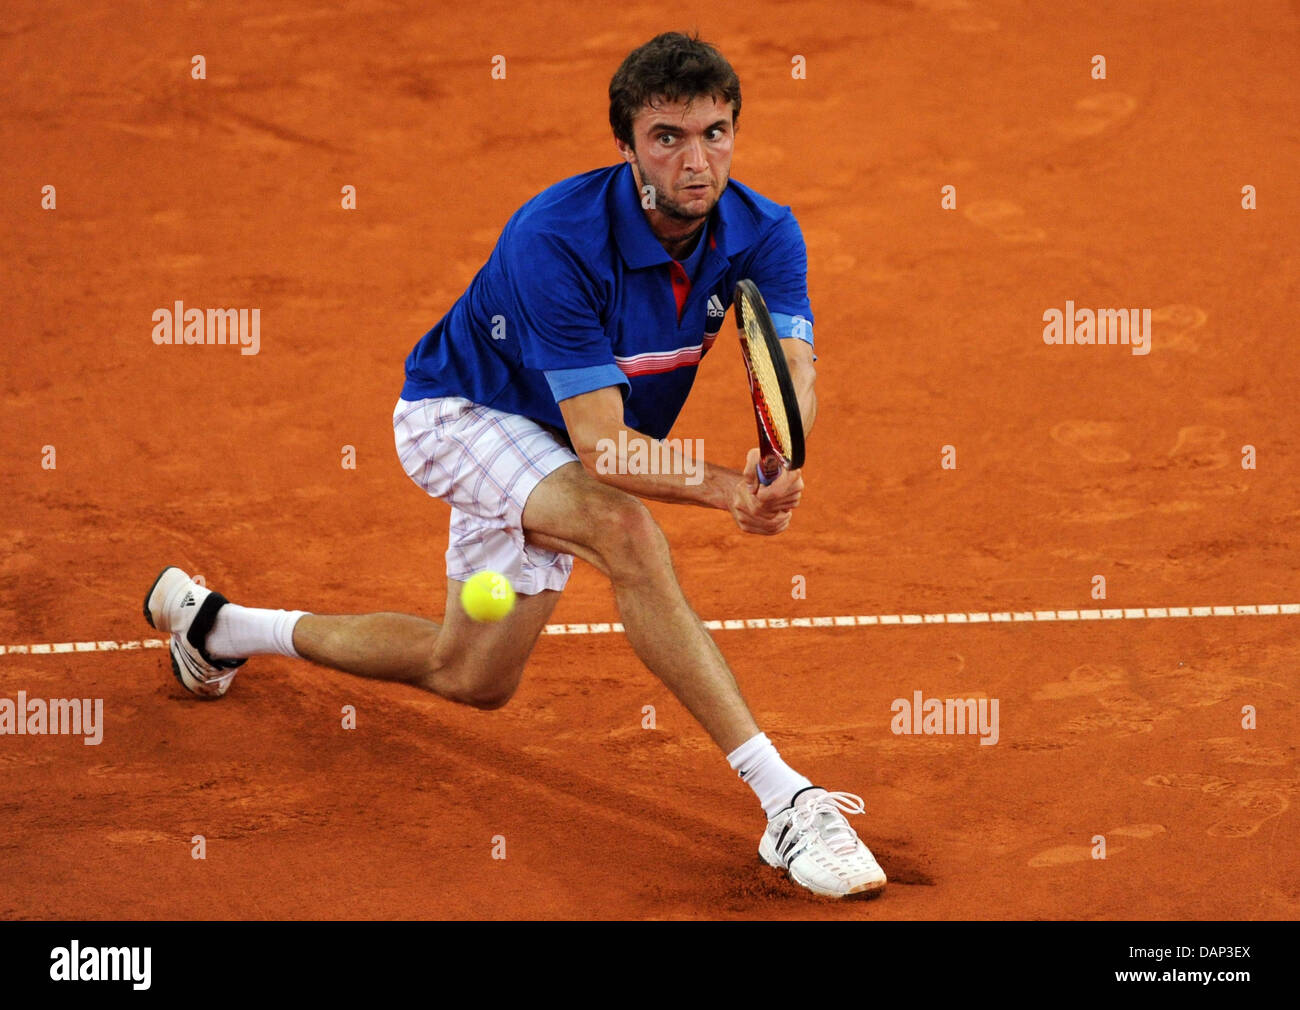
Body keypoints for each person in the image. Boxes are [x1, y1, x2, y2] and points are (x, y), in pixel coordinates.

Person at [142, 32, 886, 900]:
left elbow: (792, 368)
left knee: (473, 675)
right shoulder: (554, 239)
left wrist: (781, 445)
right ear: (626, 145)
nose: (697, 161)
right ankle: (786, 801)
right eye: (668, 137)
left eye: (716, 133)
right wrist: (731, 490)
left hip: (553, 446)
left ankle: (217, 630)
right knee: (626, 533)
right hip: (461, 415)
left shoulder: (764, 232)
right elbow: (605, 448)